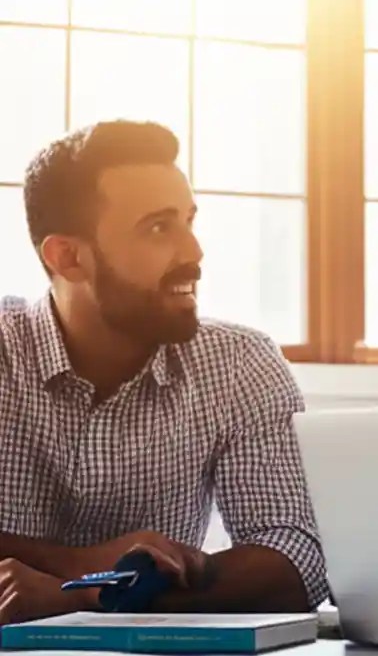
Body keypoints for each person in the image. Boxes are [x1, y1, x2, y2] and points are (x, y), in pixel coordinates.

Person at [0, 121, 328, 624]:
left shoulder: (241, 364)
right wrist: (84, 566)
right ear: (67, 257)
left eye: (189, 221)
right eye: (158, 227)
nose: (194, 253)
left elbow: (296, 558)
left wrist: (88, 596)